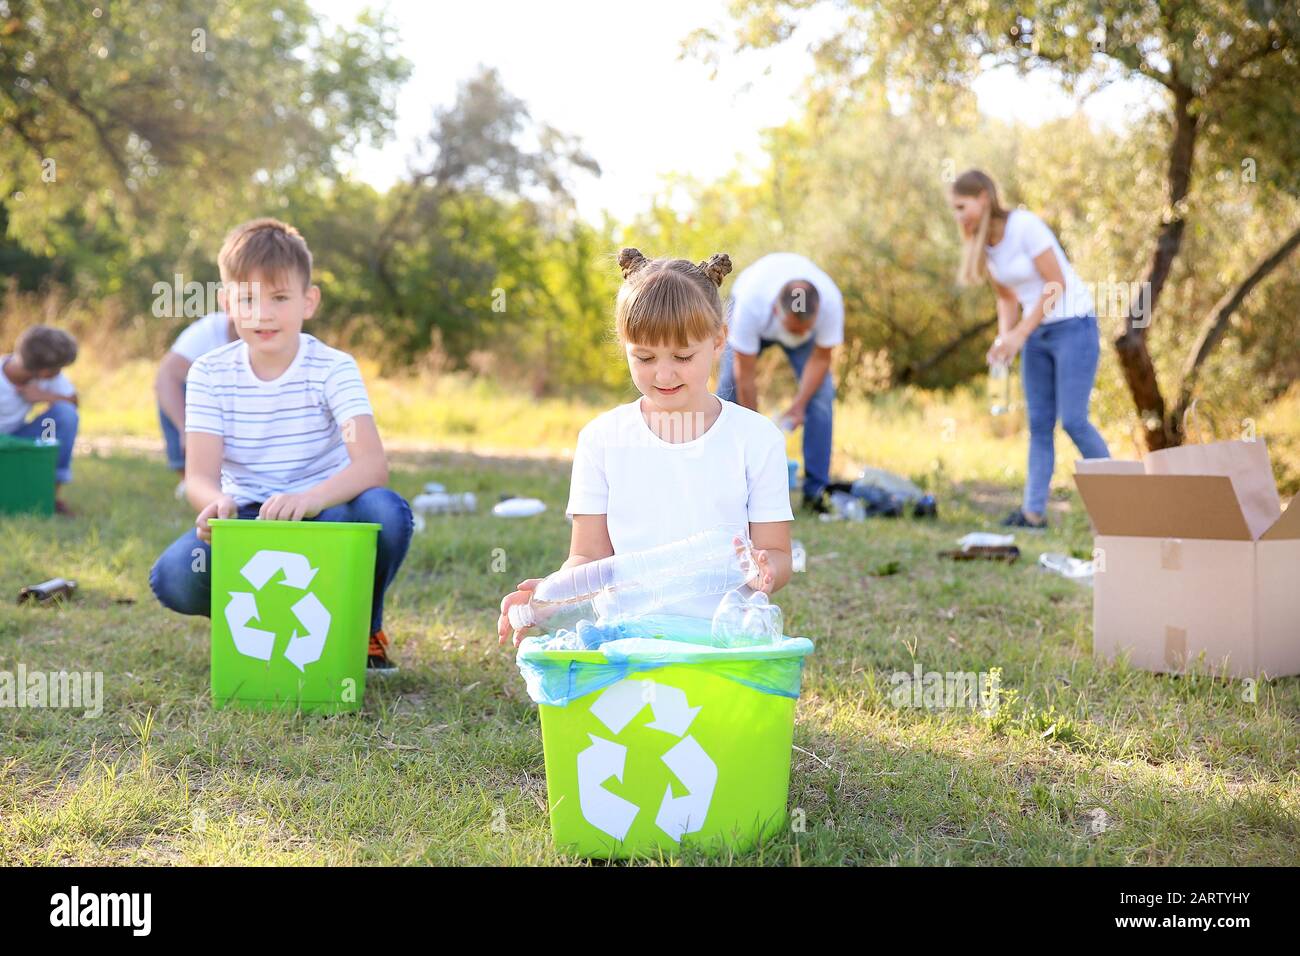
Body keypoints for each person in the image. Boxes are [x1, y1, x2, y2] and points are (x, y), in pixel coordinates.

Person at [149, 218, 413, 671]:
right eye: (247, 299)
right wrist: (215, 504)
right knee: (175, 575)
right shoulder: (210, 373)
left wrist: (308, 499)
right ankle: (261, 623)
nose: (262, 314)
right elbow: (199, 477)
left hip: (330, 512)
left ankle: (360, 627)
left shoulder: (333, 368)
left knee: (385, 512)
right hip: (251, 518)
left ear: (308, 301)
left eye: (279, 298)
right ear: (226, 302)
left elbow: (371, 466)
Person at [497, 248, 794, 644]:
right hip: (626, 639)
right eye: (645, 357)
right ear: (624, 345)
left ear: (719, 339)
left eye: (683, 355)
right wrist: (555, 597)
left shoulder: (757, 439)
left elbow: (777, 553)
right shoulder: (602, 438)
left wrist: (764, 571)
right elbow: (589, 558)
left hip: (722, 642)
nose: (664, 373)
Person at [950, 169, 1111, 529]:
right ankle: (1032, 514)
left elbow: (1056, 284)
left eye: (962, 206)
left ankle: (1123, 506)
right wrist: (1004, 338)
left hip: (1073, 325)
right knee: (1039, 425)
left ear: (984, 198)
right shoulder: (985, 244)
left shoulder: (1025, 227)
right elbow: (1006, 296)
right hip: (1036, 333)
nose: (959, 216)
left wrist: (1020, 333)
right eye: (955, 209)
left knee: (1073, 420)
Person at [715, 252, 844, 514]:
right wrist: (755, 428)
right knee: (727, 390)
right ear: (776, 309)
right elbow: (745, 375)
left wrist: (799, 405)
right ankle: (723, 483)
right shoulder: (750, 304)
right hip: (754, 321)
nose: (797, 337)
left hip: (785, 321)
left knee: (821, 397)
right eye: (793, 330)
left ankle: (816, 491)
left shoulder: (830, 303)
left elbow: (820, 360)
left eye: (805, 330)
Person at [0, 325, 80, 515]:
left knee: (65, 414)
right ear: (44, 370)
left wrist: (45, 396)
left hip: (19, 438)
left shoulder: (47, 380)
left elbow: (73, 401)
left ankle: (48, 496)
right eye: (59, 368)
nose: (60, 372)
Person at [155, 310, 236, 494]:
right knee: (173, 387)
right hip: (213, 417)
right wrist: (185, 428)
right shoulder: (208, 330)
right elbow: (165, 378)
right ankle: (190, 475)